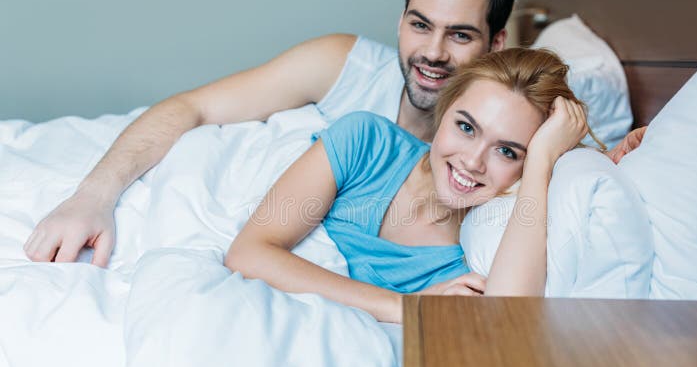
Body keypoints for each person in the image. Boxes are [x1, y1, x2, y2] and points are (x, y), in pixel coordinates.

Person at [23, 0, 515, 266]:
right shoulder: (345, 66)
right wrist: (92, 198)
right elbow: (192, 108)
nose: (432, 52)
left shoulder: (500, 147)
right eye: (420, 24)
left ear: (496, 44)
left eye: (460, 35)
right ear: (401, 20)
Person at [225, 48, 590, 323]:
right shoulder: (367, 143)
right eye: (466, 127)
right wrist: (407, 306)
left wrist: (542, 161)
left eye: (507, 151)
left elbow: (507, 323)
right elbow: (248, 253)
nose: (473, 161)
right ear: (443, 111)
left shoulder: (471, 260)